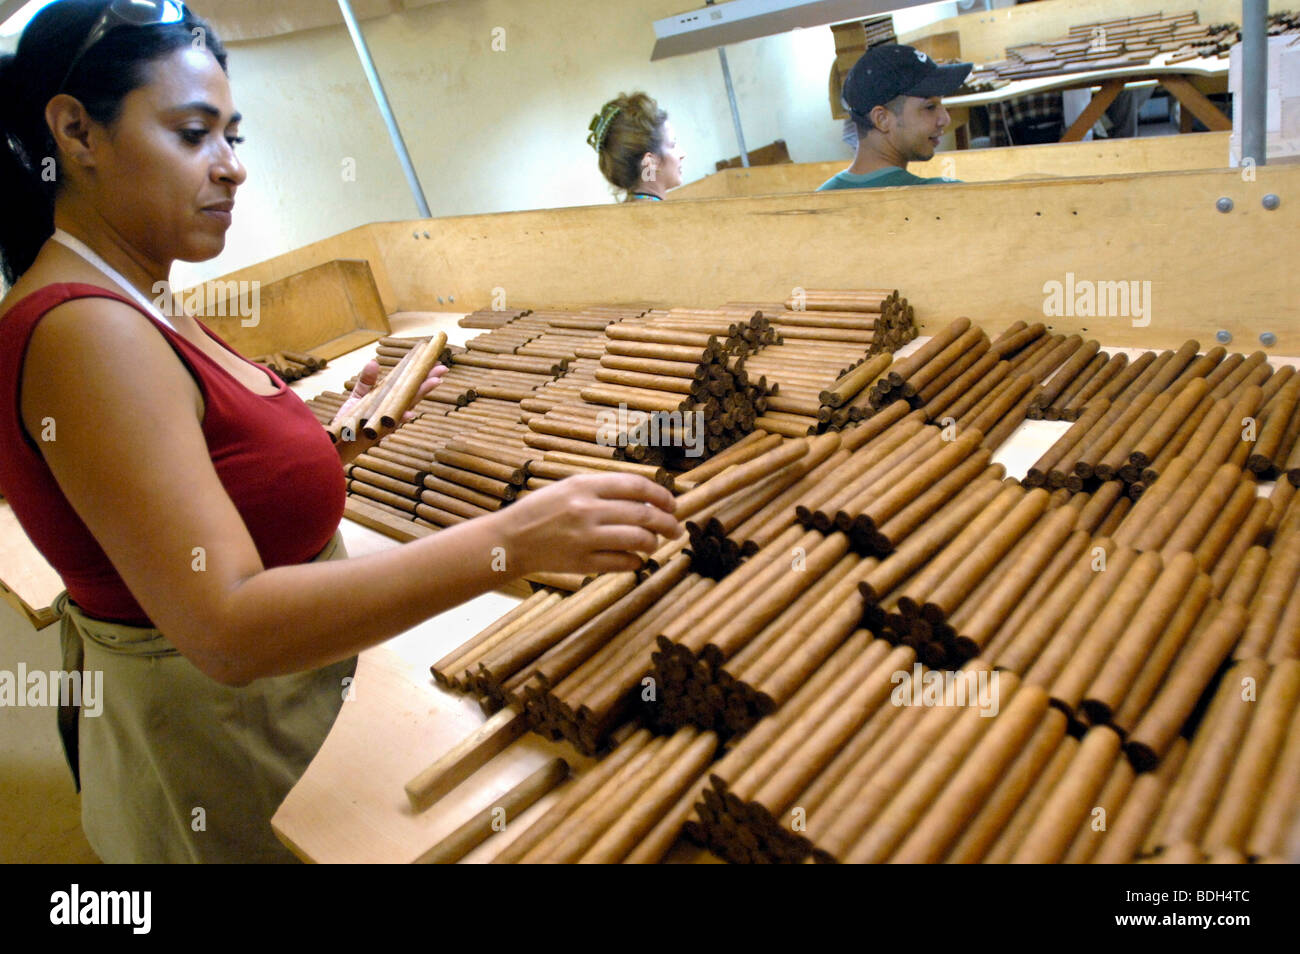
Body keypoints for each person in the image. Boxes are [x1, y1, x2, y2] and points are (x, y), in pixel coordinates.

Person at [0, 0, 681, 863]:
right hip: (225, 744)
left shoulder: (139, 292)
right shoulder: (83, 330)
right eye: (193, 133)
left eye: (234, 136)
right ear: (76, 132)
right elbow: (228, 624)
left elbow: (211, 482)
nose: (232, 168)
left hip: (284, 703)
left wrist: (336, 435)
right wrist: (512, 539)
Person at [819, 44, 972, 191]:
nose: (945, 119)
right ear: (882, 119)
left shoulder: (818, 200)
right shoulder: (949, 197)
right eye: (930, 107)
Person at [587, 92, 685, 202]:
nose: (682, 154)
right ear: (650, 161)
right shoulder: (659, 217)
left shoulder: (627, 212)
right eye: (672, 145)